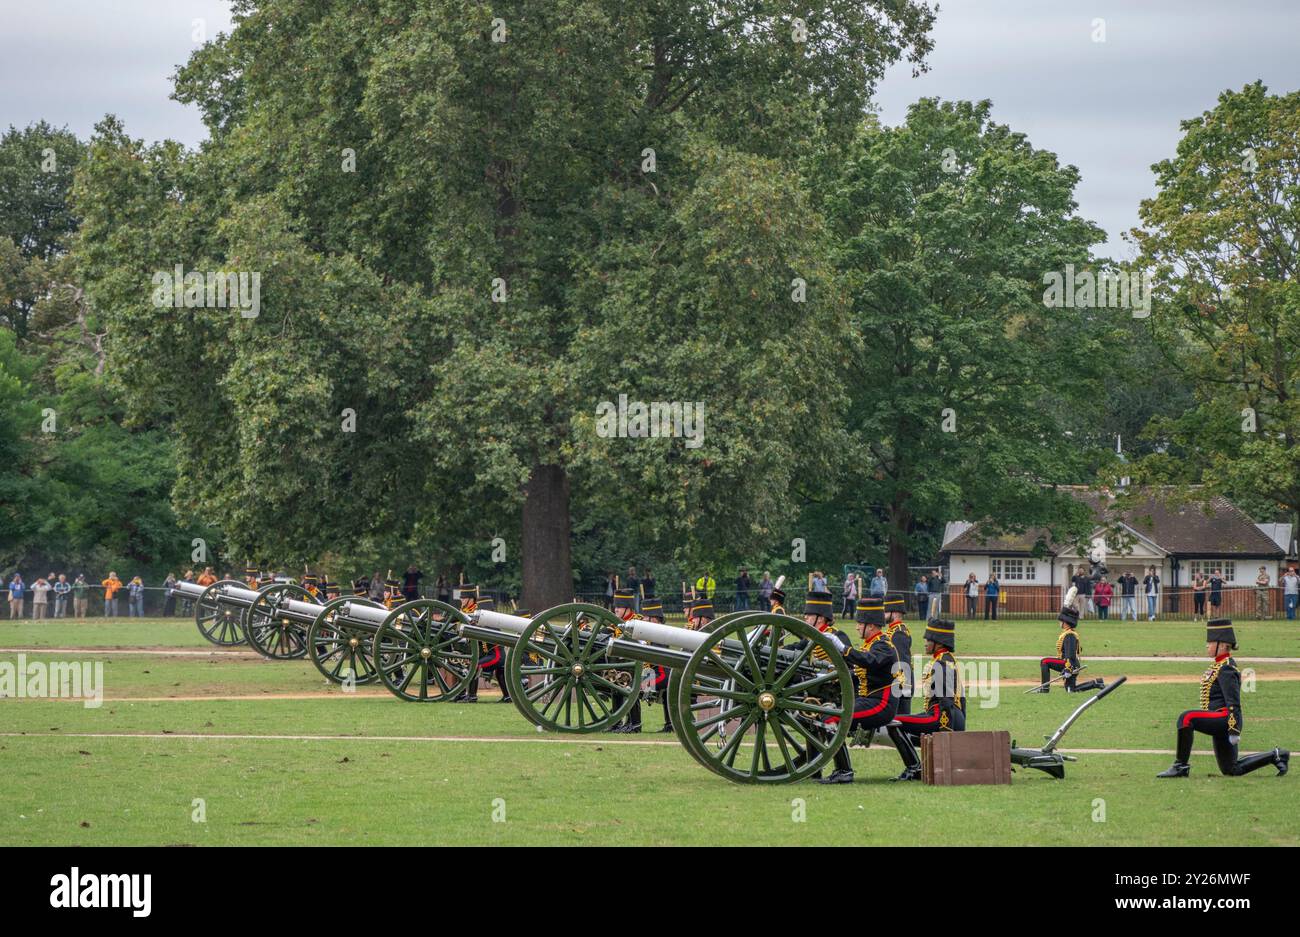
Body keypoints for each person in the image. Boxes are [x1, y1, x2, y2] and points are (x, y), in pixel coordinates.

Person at [1157, 620, 1289, 779]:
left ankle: (1180, 766)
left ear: (1222, 645)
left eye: (1210, 642)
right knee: (1231, 769)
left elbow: (1233, 702)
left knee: (1186, 718)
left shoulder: (1226, 667)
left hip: (1224, 719)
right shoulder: (1219, 665)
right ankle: (1276, 755)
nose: (1207, 646)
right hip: (1217, 719)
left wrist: (1234, 729)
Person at [819, 596, 903, 785]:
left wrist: (844, 649)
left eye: (859, 623)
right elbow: (858, 670)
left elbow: (869, 661)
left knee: (831, 718)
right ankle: (821, 768)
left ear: (871, 626)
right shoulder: (871, 644)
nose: (857, 627)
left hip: (881, 704)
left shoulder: (884, 645)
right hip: (868, 701)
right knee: (823, 714)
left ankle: (844, 771)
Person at [890, 618, 966, 781]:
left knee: (893, 722)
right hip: (952, 716)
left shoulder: (941, 663)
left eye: (928, 639)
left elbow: (946, 700)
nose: (924, 642)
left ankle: (914, 767)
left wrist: (946, 732)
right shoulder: (947, 659)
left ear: (938, 642)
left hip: (942, 717)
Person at [1034, 600, 1106, 693]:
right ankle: (1096, 683)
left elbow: (1070, 653)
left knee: (1045, 661)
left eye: (1061, 621)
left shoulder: (1069, 635)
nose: (1060, 623)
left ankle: (1045, 689)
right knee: (1071, 690)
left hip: (1069, 664)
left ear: (1066, 622)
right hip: (1071, 664)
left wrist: (1068, 668)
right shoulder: (1068, 633)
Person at [883, 596, 913, 714]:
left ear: (894, 613)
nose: (883, 614)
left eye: (886, 611)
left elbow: (902, 663)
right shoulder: (894, 631)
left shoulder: (898, 633)